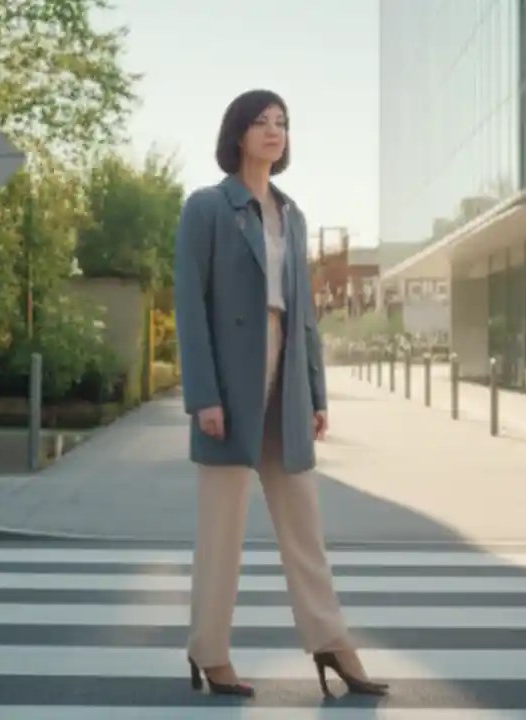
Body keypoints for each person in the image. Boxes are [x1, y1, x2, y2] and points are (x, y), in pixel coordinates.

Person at [173, 88, 389, 699]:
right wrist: (204, 397)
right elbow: (192, 308)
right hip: (231, 380)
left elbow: (306, 315)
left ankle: (331, 642)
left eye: (283, 123)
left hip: (287, 373)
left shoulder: (291, 215)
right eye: (262, 122)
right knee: (224, 530)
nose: (274, 131)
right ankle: (209, 652)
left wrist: (317, 392)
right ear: (237, 134)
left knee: (303, 521)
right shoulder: (207, 208)